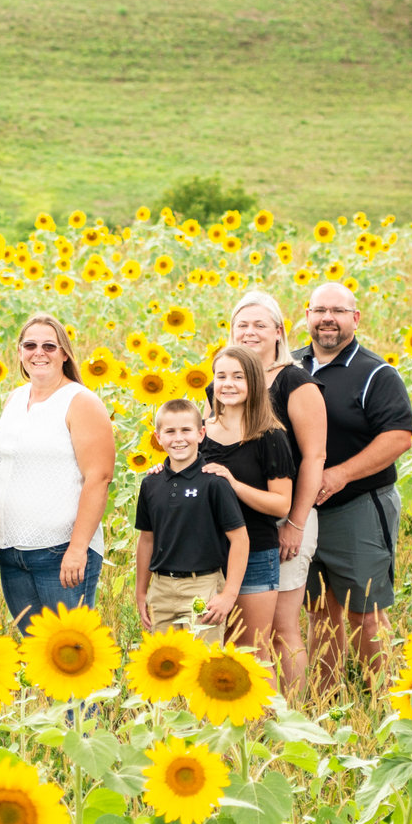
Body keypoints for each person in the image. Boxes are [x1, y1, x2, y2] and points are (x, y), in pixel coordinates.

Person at [296, 283, 412, 685]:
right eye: (320, 310)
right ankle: (327, 698)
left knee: (366, 613)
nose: (327, 319)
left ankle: (382, 698)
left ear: (356, 318)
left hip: (357, 507)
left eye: (338, 311)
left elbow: (398, 437)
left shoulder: (376, 373)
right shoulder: (290, 367)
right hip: (303, 513)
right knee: (318, 611)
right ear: (307, 316)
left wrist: (339, 474)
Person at [0, 312, 114, 635]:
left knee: (69, 650)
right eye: (30, 345)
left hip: (60, 553)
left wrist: (78, 549)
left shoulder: (80, 402)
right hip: (10, 555)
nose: (38, 353)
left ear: (64, 353)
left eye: (49, 346)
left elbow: (99, 477)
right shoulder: (15, 398)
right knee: (36, 651)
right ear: (19, 352)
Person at [231, 292, 325, 699]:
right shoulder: (228, 380)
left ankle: (292, 714)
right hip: (238, 523)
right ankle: (252, 711)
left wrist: (296, 524)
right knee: (243, 629)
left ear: (279, 333)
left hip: (285, 518)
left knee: (281, 628)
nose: (249, 332)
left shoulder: (294, 382)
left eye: (259, 325)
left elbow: (315, 456)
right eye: (242, 325)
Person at [196, 343, 295, 666]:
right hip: (203, 556)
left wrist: (233, 484)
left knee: (251, 654)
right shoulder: (199, 433)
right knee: (207, 652)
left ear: (254, 382)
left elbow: (281, 505)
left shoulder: (271, 436)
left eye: (238, 377)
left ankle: (263, 705)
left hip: (255, 554)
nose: (228, 384)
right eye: (221, 376)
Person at [134, 399, 249, 645]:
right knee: (162, 661)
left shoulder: (214, 482)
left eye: (186, 430)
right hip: (161, 588)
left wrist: (229, 594)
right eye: (170, 432)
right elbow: (146, 540)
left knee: (201, 663)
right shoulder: (151, 484)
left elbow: (240, 539)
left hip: (203, 587)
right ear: (158, 437)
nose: (178, 439)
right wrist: (141, 592)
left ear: (201, 433)